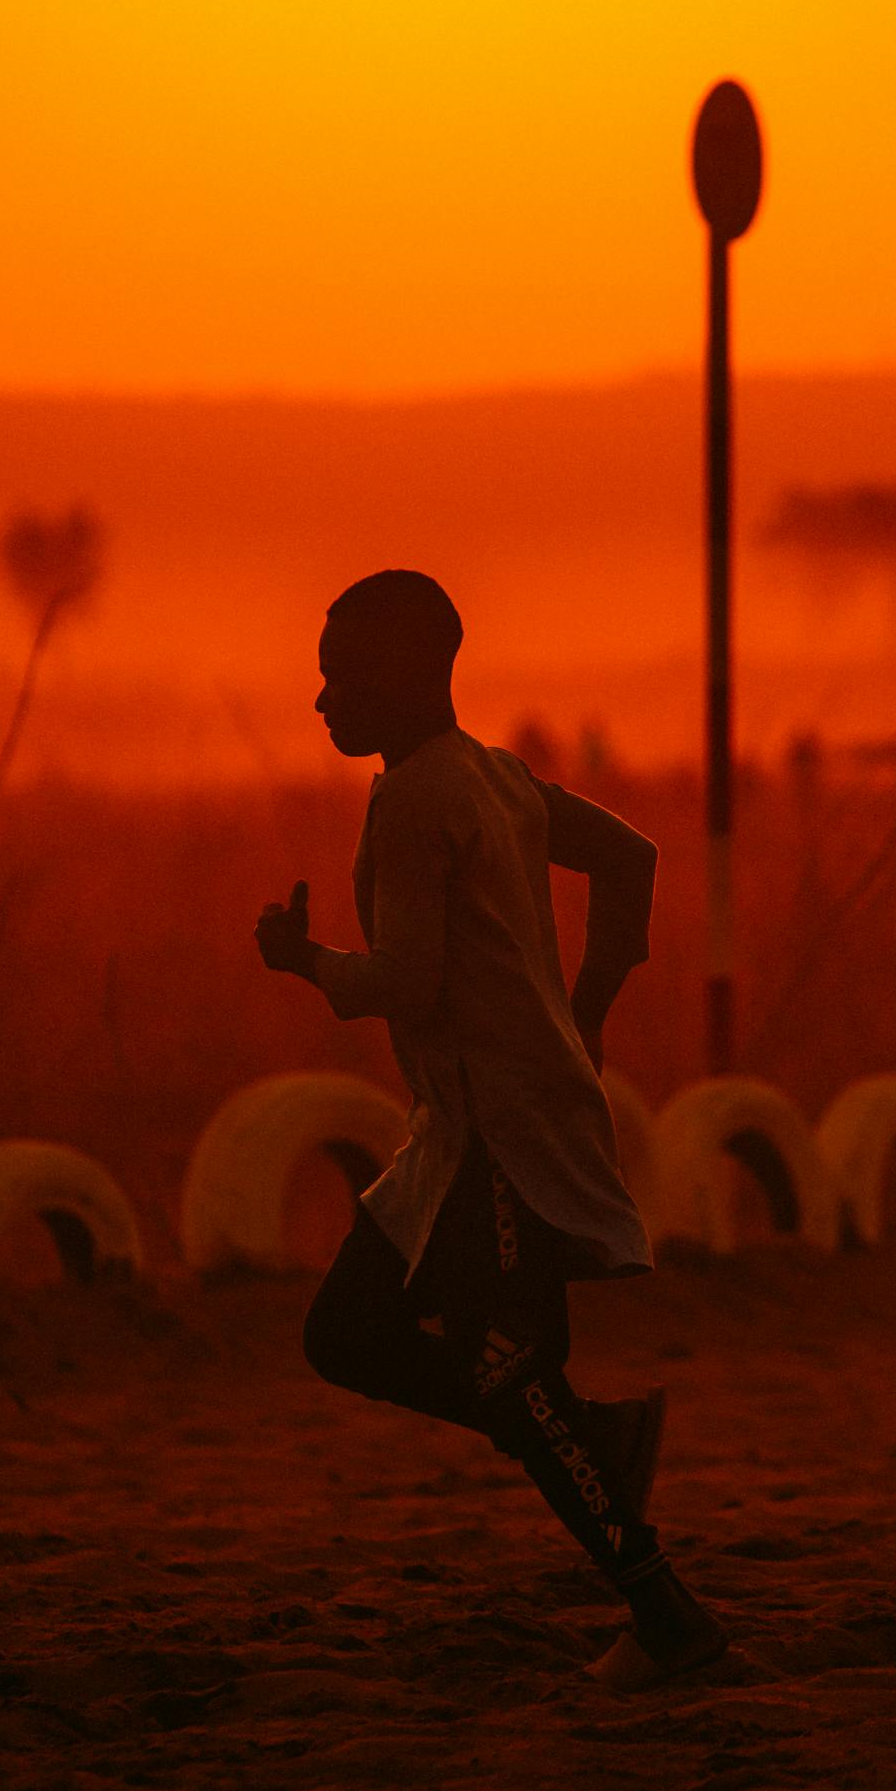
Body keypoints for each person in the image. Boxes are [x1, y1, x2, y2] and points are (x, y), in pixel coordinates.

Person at [254, 567, 727, 1691]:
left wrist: (306, 963)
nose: (324, 701)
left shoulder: (419, 796)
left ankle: (666, 1617)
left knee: (509, 1372)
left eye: (345, 677)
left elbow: (407, 986)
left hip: (498, 1141)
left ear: (418, 673)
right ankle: (590, 1447)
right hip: (468, 1132)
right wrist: (590, 1008)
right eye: (322, 680)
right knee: (353, 1336)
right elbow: (630, 858)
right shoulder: (497, 777)